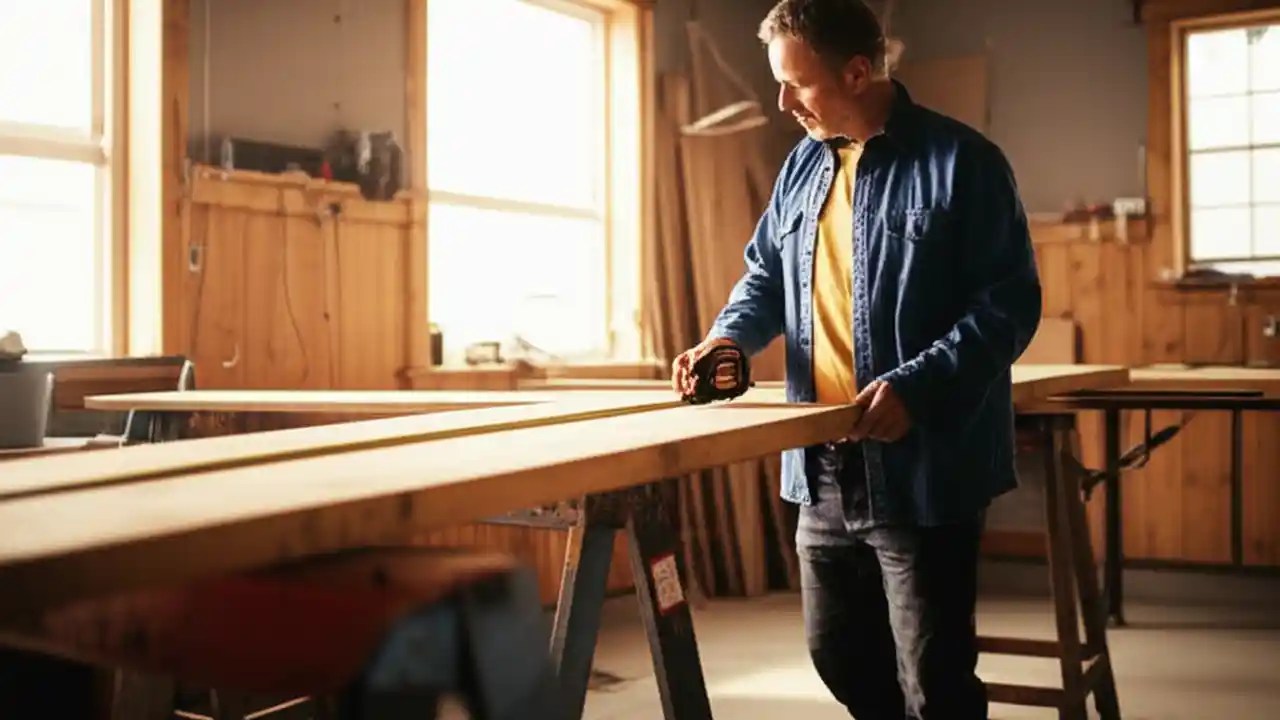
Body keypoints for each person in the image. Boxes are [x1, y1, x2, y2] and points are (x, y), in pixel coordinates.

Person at [670, 1, 1042, 718]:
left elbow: (1007, 306)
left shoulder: (963, 162)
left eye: (797, 84)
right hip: (821, 464)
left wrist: (919, 387)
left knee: (935, 681)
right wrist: (727, 340)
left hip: (924, 465)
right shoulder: (802, 168)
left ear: (858, 70)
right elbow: (765, 277)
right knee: (837, 653)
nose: (782, 103)